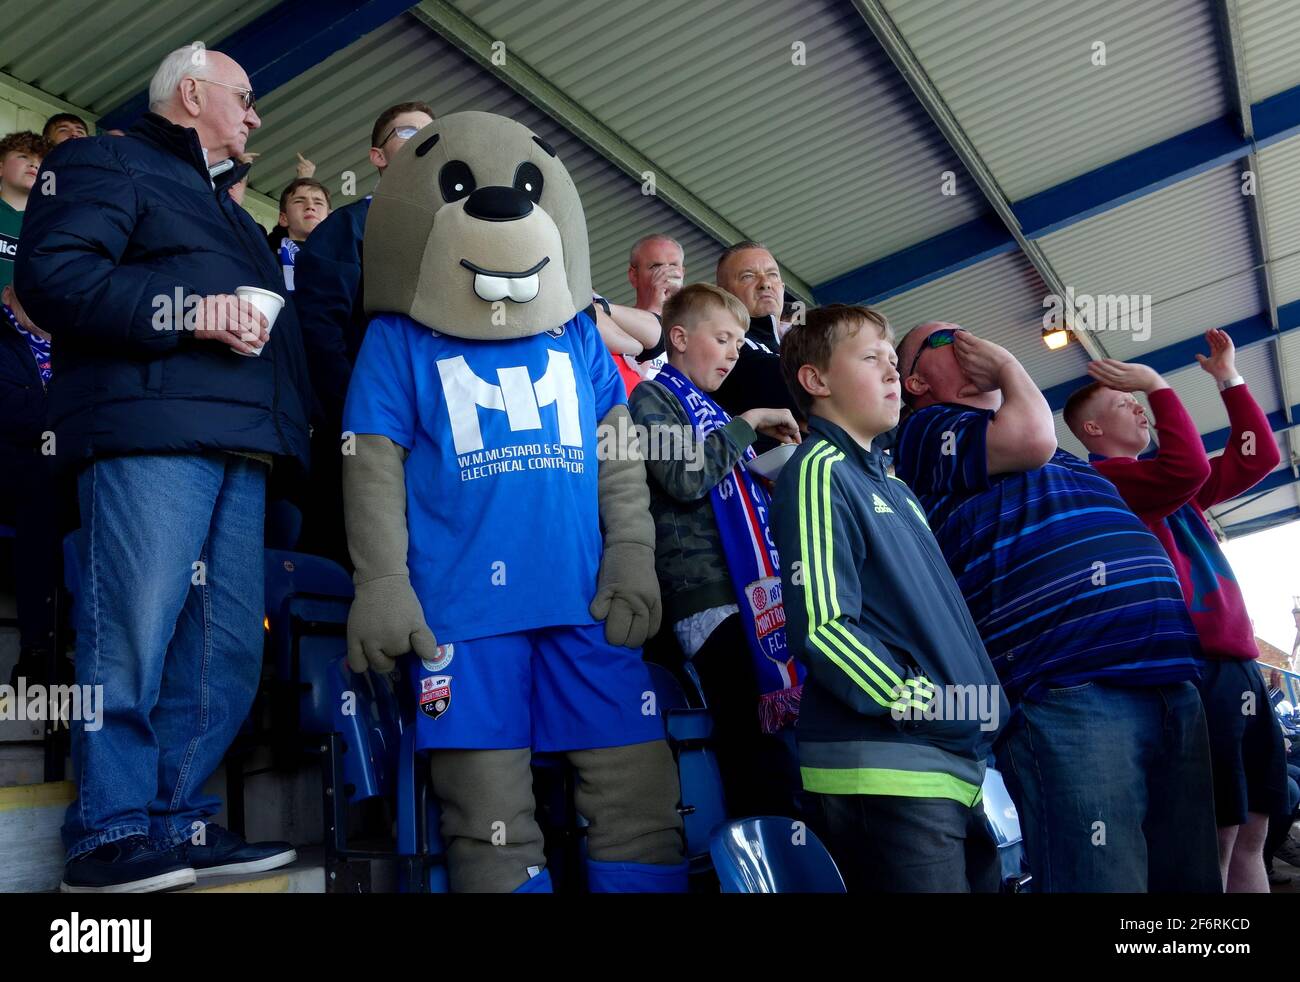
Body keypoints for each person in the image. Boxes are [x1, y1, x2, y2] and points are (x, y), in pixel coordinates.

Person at [16, 46, 313, 893]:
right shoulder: (102, 160)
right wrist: (190, 312)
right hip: (147, 430)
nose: (256, 117)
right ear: (192, 93)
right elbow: (55, 276)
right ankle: (104, 834)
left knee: (224, 654)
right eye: (245, 99)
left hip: (242, 444)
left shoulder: (227, 206)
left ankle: (176, 819)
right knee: (134, 635)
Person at [891, 321, 1220, 893]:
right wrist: (1011, 369)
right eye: (946, 340)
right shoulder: (926, 432)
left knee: (1189, 888)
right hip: (1069, 690)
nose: (968, 340)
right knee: (1102, 881)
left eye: (972, 333)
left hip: (1167, 679)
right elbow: (1029, 439)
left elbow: (1187, 472)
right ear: (914, 379)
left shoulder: (1055, 453)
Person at [771, 305, 1006, 891]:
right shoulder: (819, 470)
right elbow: (824, 628)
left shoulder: (897, 488)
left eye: (891, 357)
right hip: (889, 770)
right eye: (870, 357)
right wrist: (931, 706)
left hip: (951, 762)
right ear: (816, 382)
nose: (891, 371)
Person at [1063, 330, 1286, 893]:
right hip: (1197, 669)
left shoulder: (1172, 484)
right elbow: (1186, 466)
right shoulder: (1107, 480)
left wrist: (1229, 379)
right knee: (1217, 834)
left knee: (1256, 828)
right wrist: (1159, 386)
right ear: (1092, 430)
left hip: (1238, 665)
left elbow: (1259, 456)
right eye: (1123, 401)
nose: (1137, 405)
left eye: (1138, 398)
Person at [628, 283, 803, 817]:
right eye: (723, 338)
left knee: (773, 740)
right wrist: (747, 424)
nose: (733, 352)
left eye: (739, 342)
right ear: (678, 338)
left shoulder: (708, 409)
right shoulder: (649, 397)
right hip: (704, 596)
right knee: (751, 738)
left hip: (750, 591)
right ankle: (768, 854)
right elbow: (683, 477)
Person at [292, 100, 433, 567]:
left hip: (436, 440)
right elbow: (320, 332)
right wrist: (361, 414)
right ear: (377, 156)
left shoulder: (454, 238)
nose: (425, 143)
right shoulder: (345, 228)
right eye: (408, 134)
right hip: (363, 439)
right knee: (359, 573)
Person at [0, 283, 63, 688]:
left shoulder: (75, 350)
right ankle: (38, 649)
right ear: (9, 296)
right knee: (44, 499)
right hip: (12, 469)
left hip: (62, 471)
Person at [712, 241, 799, 424]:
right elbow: (794, 389)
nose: (765, 283)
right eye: (748, 276)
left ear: (782, 288)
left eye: (772, 275)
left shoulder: (797, 347)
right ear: (723, 295)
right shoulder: (725, 344)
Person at [620, 233, 685, 379]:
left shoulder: (693, 333)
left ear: (682, 273)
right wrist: (656, 310)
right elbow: (631, 380)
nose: (666, 273)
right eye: (656, 266)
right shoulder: (618, 323)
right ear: (634, 276)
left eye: (673, 266)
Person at [0, 131, 49, 293]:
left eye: (42, 162)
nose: (34, 164)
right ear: (1, 167)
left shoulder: (50, 226)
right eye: (24, 156)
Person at [269, 177, 330, 291]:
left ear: (330, 218)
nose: (310, 206)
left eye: (318, 203)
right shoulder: (267, 259)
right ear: (283, 218)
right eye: (299, 201)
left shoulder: (345, 261)